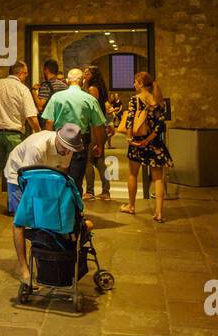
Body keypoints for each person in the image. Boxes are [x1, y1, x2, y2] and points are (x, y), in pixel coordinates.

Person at [5, 122, 85, 286]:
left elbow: (62, 175)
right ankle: (23, 268)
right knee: (20, 221)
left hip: (45, 176)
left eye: (72, 149)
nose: (68, 152)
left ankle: (43, 260)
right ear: (58, 139)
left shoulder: (68, 149)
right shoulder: (38, 147)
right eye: (66, 147)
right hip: (19, 175)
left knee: (46, 215)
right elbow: (28, 180)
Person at [0, 61, 40, 216]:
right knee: (15, 169)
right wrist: (39, 132)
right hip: (14, 135)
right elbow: (31, 116)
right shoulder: (22, 89)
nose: (26, 76)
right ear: (21, 73)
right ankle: (13, 206)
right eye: (26, 73)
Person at [42, 68, 106, 194]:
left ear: (66, 81)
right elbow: (98, 125)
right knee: (76, 179)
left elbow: (49, 121)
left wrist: (47, 142)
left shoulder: (56, 97)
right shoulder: (89, 99)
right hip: (80, 140)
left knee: (59, 176)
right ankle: (75, 209)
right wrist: (99, 144)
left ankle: (60, 207)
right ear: (82, 81)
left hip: (58, 140)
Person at [119, 71, 171, 221]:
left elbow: (129, 121)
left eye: (135, 82)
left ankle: (131, 205)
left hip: (137, 143)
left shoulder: (135, 100)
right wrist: (148, 140)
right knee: (158, 178)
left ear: (141, 83)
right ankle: (159, 212)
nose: (134, 84)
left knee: (132, 174)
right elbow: (160, 126)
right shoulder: (158, 101)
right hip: (154, 143)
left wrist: (129, 138)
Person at [81, 65, 112, 200]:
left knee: (88, 160)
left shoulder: (92, 89)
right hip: (98, 127)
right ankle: (106, 190)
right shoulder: (94, 88)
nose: (84, 76)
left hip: (94, 128)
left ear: (93, 76)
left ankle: (90, 191)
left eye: (87, 74)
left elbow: (92, 110)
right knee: (99, 161)